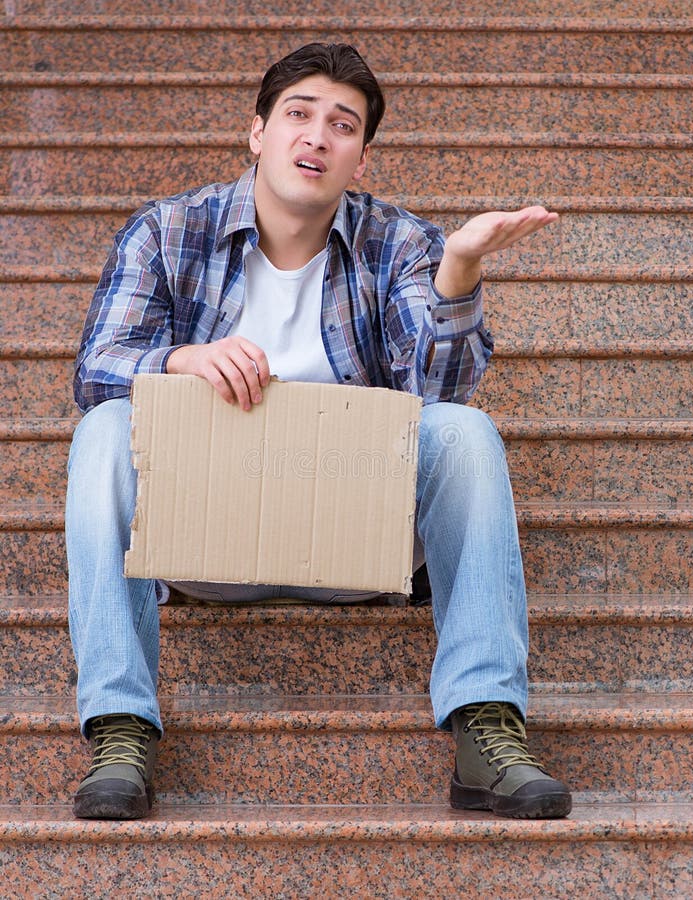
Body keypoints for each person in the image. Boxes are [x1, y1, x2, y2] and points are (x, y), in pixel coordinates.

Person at [67, 42, 572, 821]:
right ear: (257, 133)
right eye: (298, 115)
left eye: (342, 125)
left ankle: (484, 727)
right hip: (205, 541)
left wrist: (460, 268)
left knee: (464, 434)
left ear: (360, 159)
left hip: (354, 541)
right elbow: (95, 368)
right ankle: (121, 725)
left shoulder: (402, 243)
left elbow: (433, 394)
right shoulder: (168, 230)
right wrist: (182, 358)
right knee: (105, 429)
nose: (317, 136)